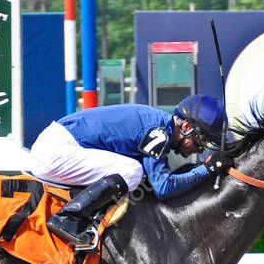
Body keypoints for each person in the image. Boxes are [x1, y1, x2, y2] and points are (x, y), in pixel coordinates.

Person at [30, 95, 230, 249]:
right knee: (132, 171)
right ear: (186, 126)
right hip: (56, 151)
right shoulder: (159, 133)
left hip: (57, 145)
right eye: (201, 140)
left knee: (136, 174)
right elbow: (164, 188)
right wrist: (208, 169)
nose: (200, 150)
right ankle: (67, 218)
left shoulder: (158, 125)